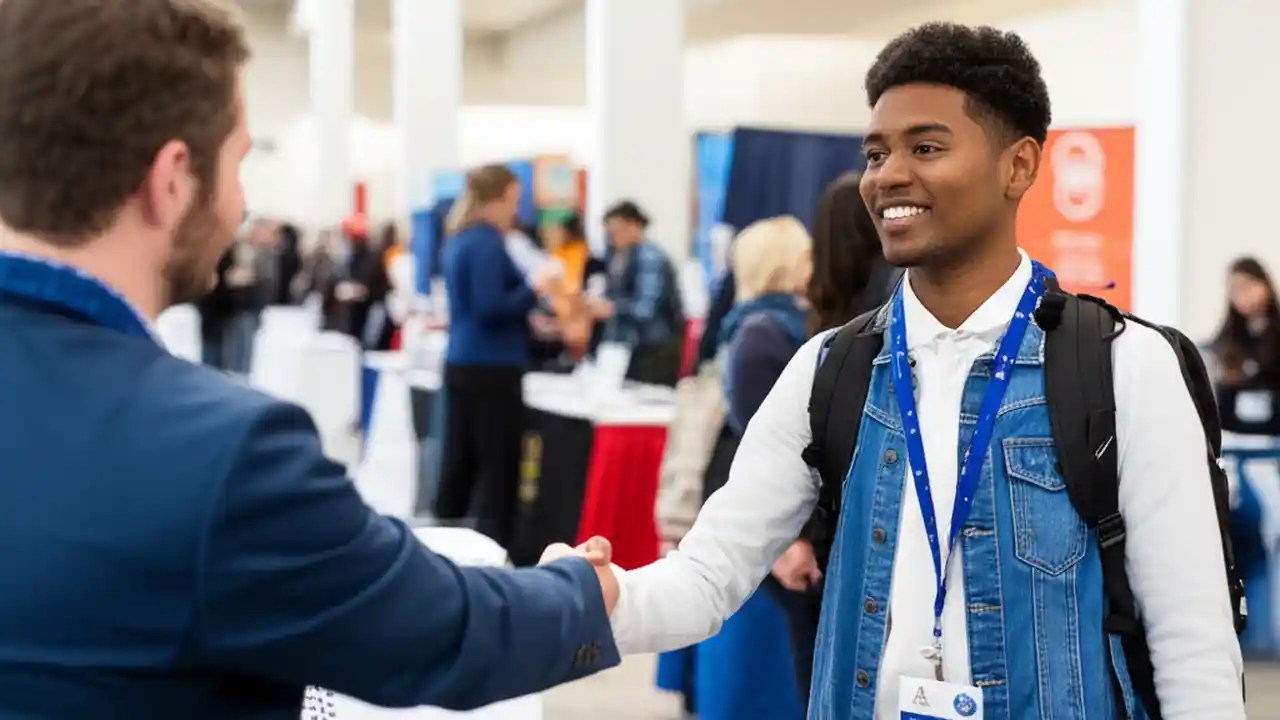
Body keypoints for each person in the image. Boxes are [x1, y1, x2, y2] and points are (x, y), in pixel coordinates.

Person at [596, 22, 1244, 719]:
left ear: (1019, 166)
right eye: (876, 153)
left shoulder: (1124, 369)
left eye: (926, 147)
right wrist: (603, 600)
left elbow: (1193, 646)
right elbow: (708, 576)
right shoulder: (829, 370)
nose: (888, 175)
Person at [0, 2, 618, 717]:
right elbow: (437, 633)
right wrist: (583, 592)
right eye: (237, 160)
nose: (240, 200)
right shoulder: (218, 454)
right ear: (171, 178)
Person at [438, 164, 548, 550]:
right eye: (514, 201)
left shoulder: (457, 240)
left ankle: (446, 542)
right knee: (499, 468)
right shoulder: (486, 243)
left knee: (459, 462)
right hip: (493, 368)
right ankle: (497, 550)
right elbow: (489, 306)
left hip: (462, 361)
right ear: (498, 198)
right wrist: (534, 288)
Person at [601, 200, 686, 387]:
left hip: (654, 347)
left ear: (635, 225)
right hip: (636, 346)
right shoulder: (623, 255)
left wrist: (612, 309)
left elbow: (645, 309)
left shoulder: (650, 257)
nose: (614, 237)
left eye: (618, 230)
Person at [1211, 257, 1280, 435]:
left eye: (1248, 286)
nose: (1243, 295)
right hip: (1237, 431)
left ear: (1265, 285)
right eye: (1235, 290)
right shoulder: (1228, 336)